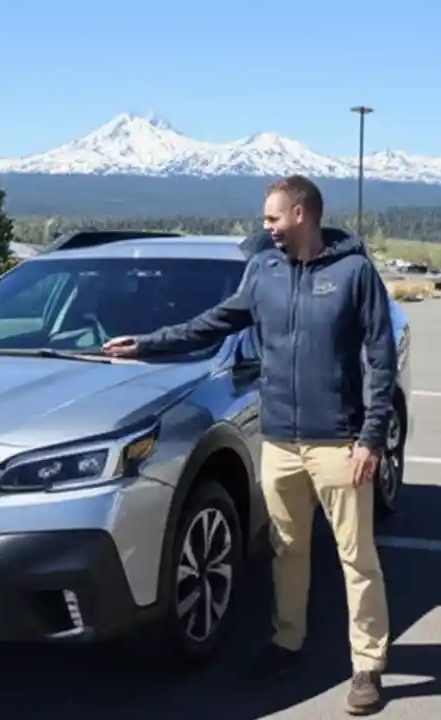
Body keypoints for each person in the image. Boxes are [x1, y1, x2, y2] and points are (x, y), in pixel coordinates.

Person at [103, 175, 397, 715]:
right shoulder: (264, 271)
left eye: (272, 219)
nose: (266, 229)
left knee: (357, 558)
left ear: (302, 214)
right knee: (288, 550)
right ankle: (288, 644)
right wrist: (146, 344)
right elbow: (214, 323)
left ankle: (367, 666)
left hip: (340, 442)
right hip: (280, 440)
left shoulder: (354, 273)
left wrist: (371, 439)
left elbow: (381, 360)